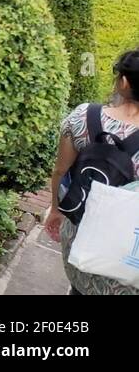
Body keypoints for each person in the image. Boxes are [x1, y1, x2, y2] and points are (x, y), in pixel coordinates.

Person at [46, 50, 139, 295]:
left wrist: (55, 210)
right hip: (129, 252)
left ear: (124, 82)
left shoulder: (83, 116)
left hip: (80, 236)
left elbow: (60, 170)